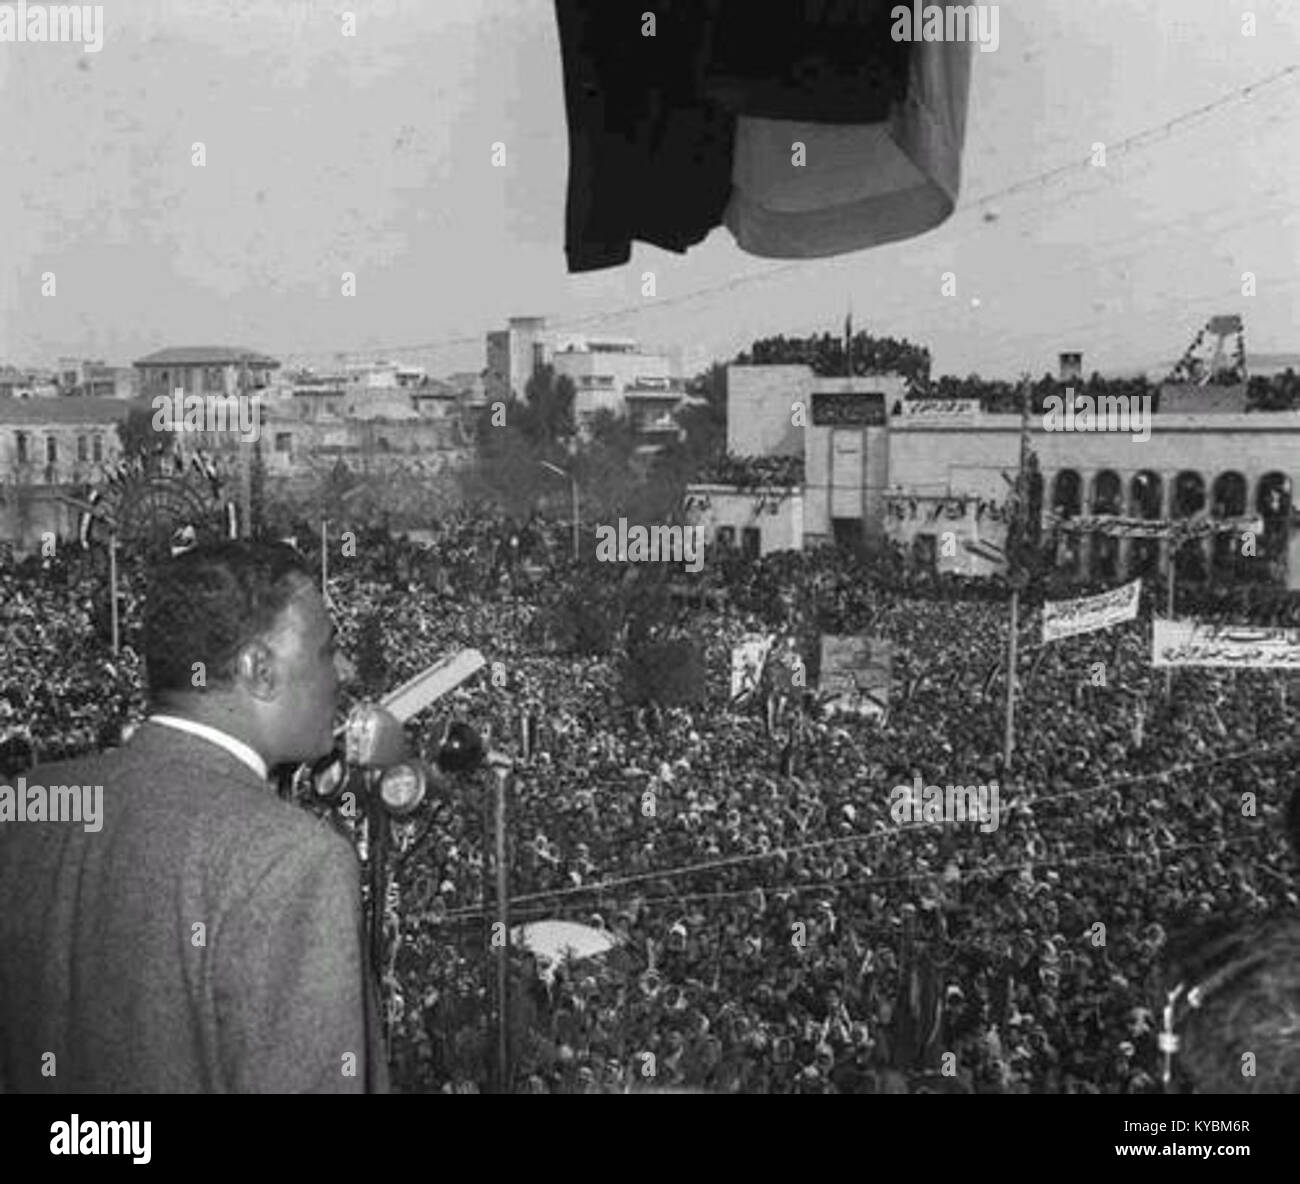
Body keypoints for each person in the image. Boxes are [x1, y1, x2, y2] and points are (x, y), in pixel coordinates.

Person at [0, 541, 389, 1093]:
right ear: (258, 669)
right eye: (328, 651)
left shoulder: (30, 801)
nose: (344, 670)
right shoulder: (294, 859)